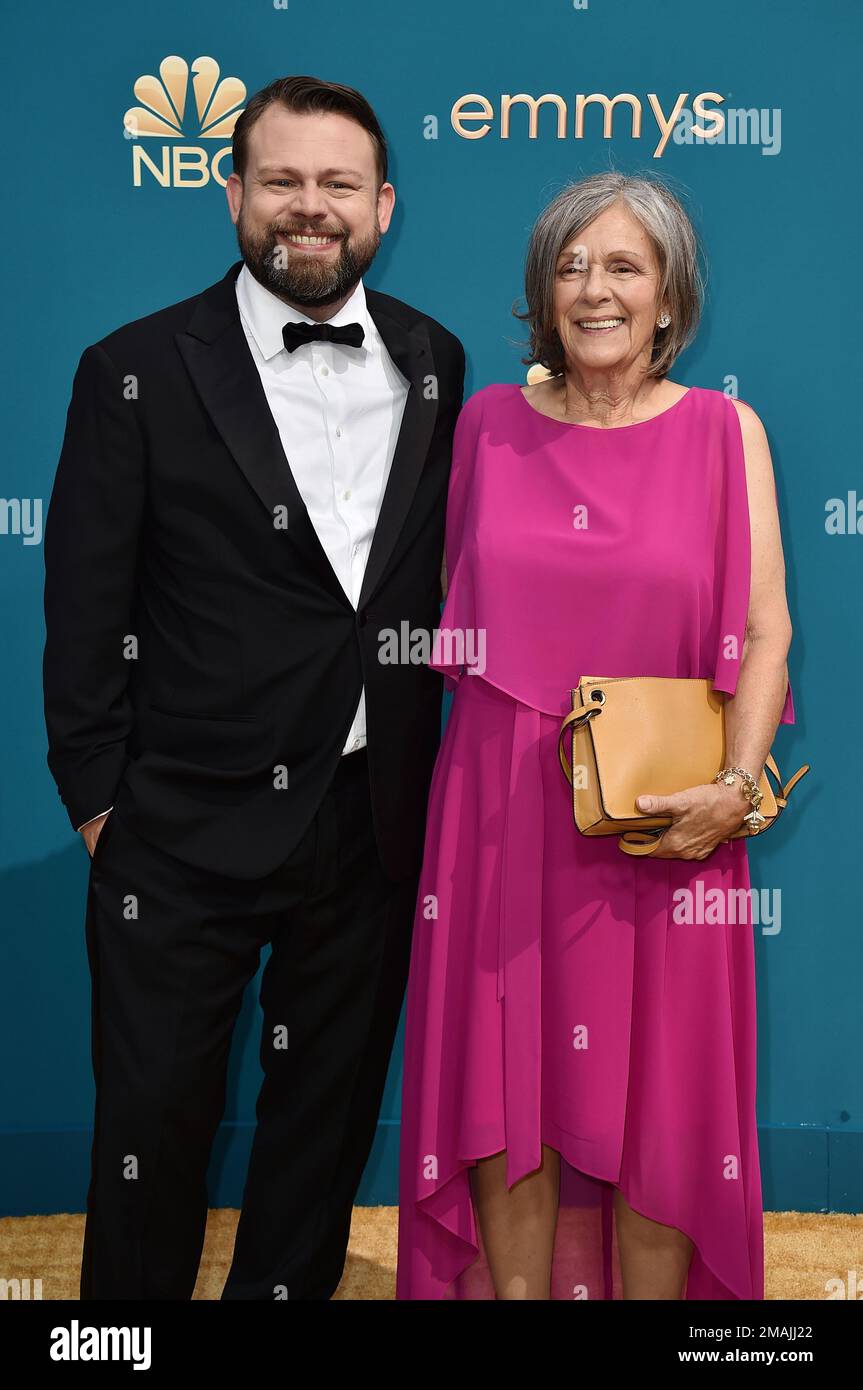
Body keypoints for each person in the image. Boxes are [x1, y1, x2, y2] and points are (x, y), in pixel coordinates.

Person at [42, 74, 465, 1300]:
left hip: (370, 823)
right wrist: (103, 806)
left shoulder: (435, 362)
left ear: (382, 205)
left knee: (318, 1139)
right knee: (148, 1141)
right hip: (178, 826)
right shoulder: (132, 369)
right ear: (232, 192)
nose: (308, 208)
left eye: (337, 184)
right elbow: (84, 607)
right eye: (281, 179)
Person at [396, 171, 795, 1300]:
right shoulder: (482, 427)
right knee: (501, 1087)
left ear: (669, 299)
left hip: (664, 821)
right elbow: (447, 603)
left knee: (662, 1105)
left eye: (622, 266)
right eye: (569, 267)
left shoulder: (726, 432)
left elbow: (764, 633)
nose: (593, 290)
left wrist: (732, 786)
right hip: (494, 819)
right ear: (540, 294)